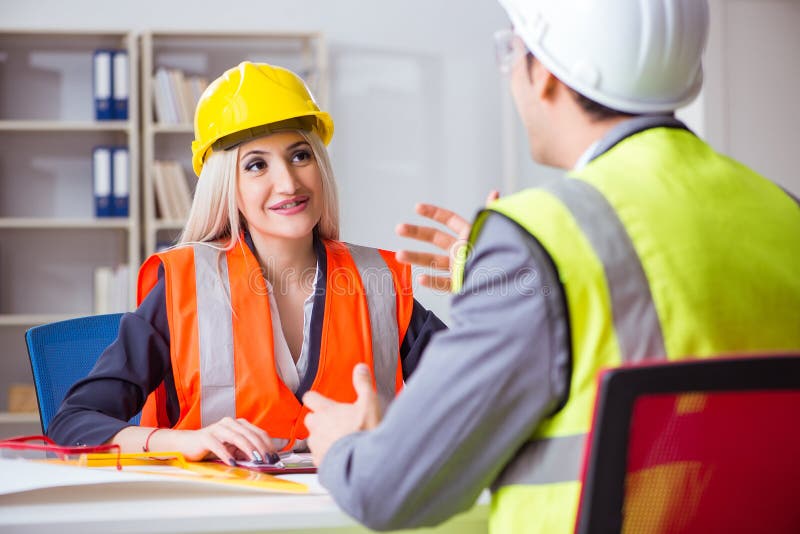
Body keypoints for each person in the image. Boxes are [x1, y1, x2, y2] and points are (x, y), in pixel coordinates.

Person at [301, 0, 800, 532]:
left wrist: (343, 445)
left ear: (545, 74)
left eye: (514, 51)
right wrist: (508, 280)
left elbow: (387, 491)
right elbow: (678, 316)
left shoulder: (537, 238)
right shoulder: (782, 209)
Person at [48, 62, 445, 465]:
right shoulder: (186, 286)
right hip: (218, 517)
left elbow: (482, 388)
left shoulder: (376, 281)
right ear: (227, 187)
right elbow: (73, 424)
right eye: (256, 165)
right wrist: (182, 441)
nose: (289, 183)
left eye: (300, 155)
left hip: (353, 511)